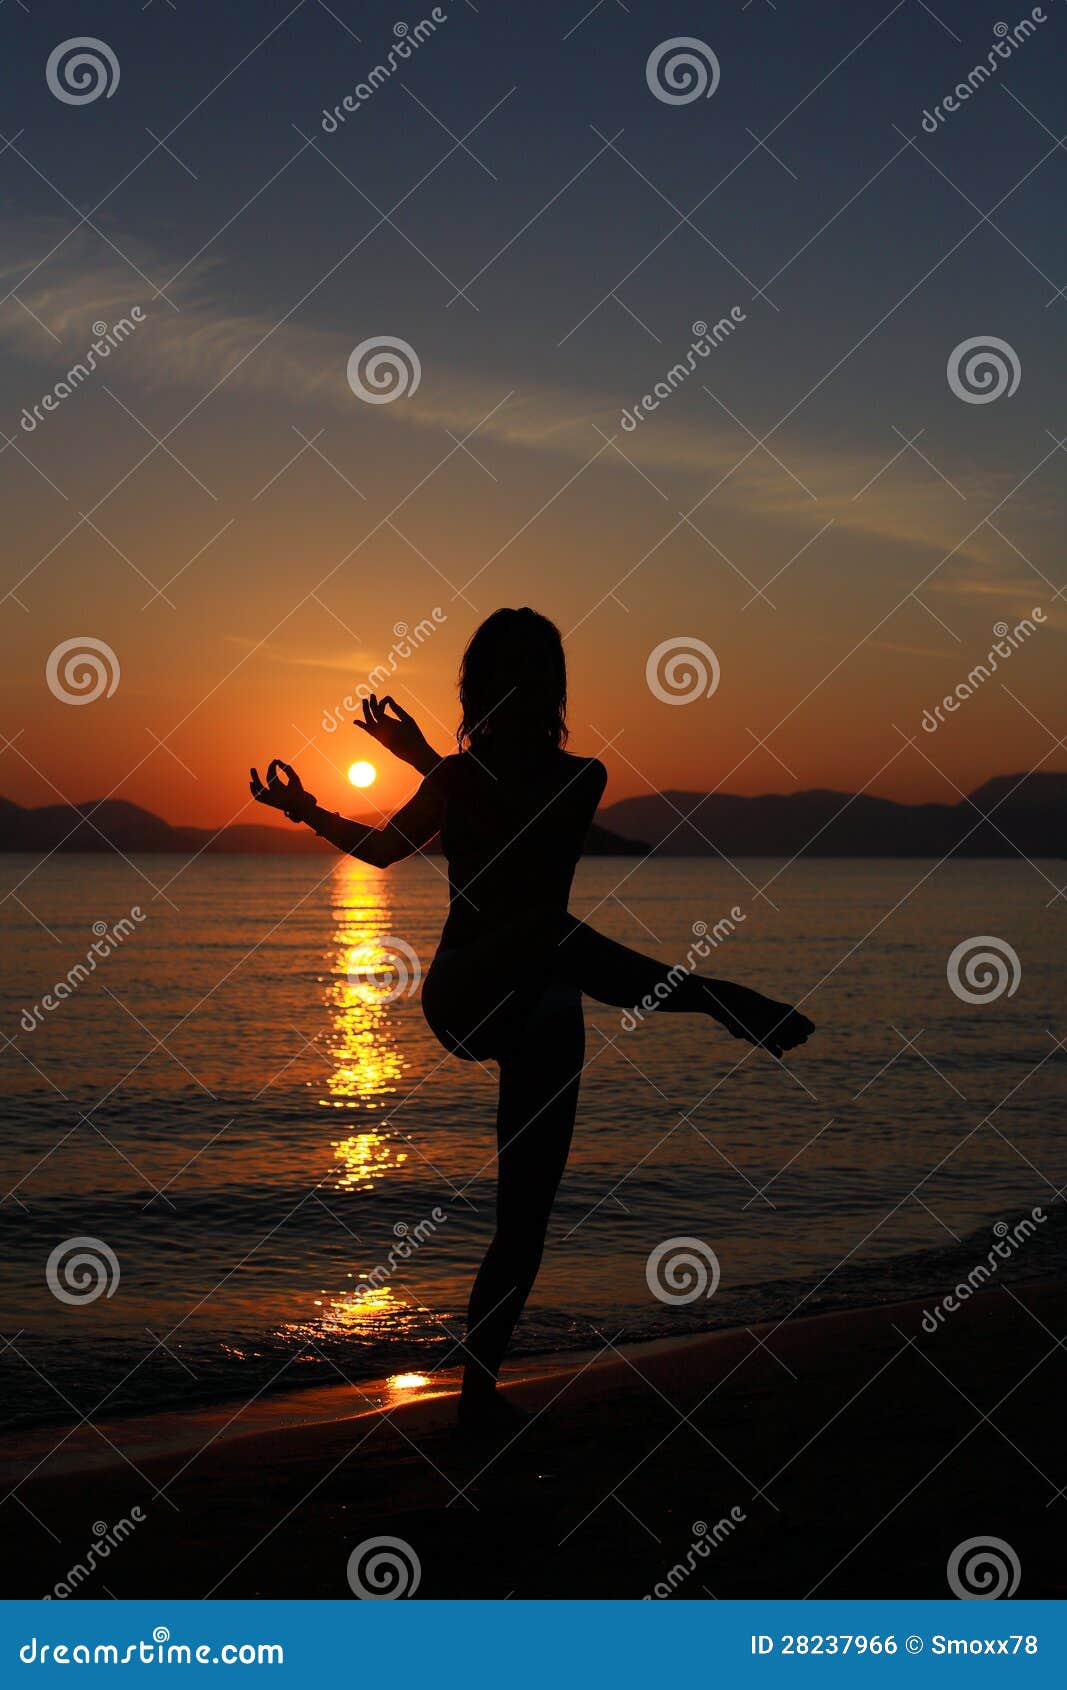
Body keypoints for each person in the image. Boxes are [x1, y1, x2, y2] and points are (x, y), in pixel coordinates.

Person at [250, 608, 814, 1436]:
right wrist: (307, 809)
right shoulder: (500, 775)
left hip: (546, 997)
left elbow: (511, 822)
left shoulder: (568, 777)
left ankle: (477, 1394)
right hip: (466, 991)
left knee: (526, 1213)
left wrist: (424, 760)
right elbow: (383, 851)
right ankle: (715, 998)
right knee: (550, 935)